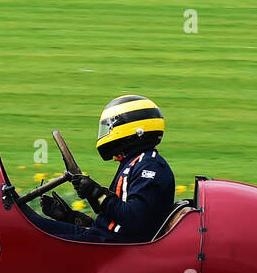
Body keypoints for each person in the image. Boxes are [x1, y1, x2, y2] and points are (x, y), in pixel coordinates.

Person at [24, 95, 176, 243]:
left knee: (33, 239)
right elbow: (116, 217)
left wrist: (96, 192)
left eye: (110, 128)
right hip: (102, 236)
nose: (106, 134)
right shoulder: (135, 161)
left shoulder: (150, 167)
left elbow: (133, 220)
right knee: (30, 222)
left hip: (114, 247)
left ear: (134, 130)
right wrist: (71, 217)